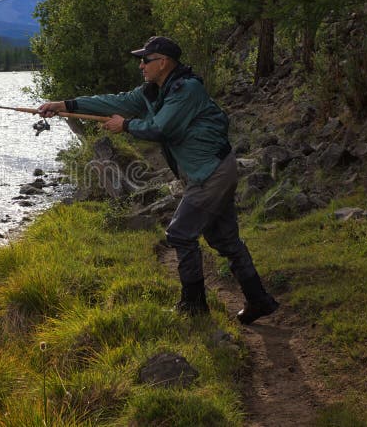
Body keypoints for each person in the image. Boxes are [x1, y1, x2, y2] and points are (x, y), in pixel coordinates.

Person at [38, 36, 278, 324]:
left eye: (145, 60)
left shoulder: (187, 90)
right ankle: (259, 300)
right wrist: (63, 103)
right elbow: (115, 101)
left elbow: (160, 128)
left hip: (211, 173)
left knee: (180, 234)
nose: (141, 65)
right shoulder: (154, 91)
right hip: (209, 170)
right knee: (224, 239)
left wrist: (125, 125)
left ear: (163, 62)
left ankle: (193, 307)